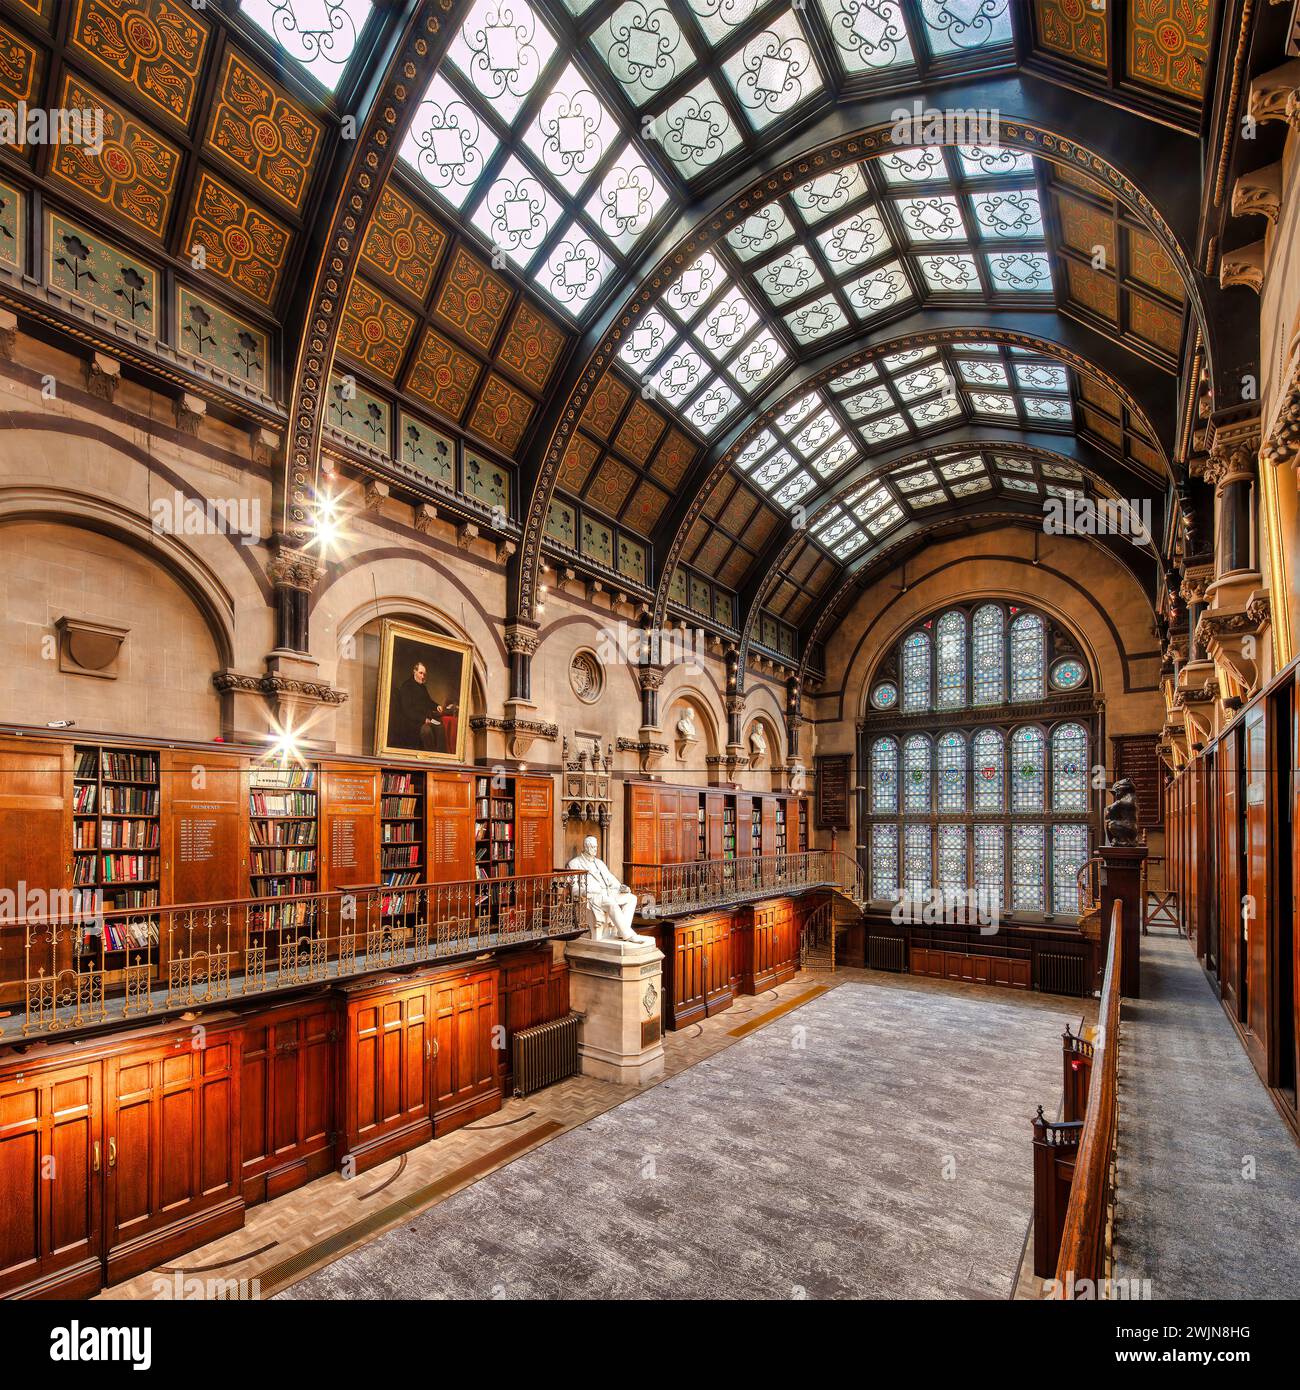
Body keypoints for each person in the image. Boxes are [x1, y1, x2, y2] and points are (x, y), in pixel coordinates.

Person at [566, 836, 653, 945]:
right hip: (593, 896)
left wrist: (622, 887)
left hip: (609, 893)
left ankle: (622, 932)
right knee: (611, 903)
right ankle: (628, 935)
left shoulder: (599, 863)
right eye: (592, 847)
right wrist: (585, 892)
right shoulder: (575, 863)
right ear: (586, 847)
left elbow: (611, 879)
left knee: (631, 898)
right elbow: (574, 889)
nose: (595, 849)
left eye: (596, 847)